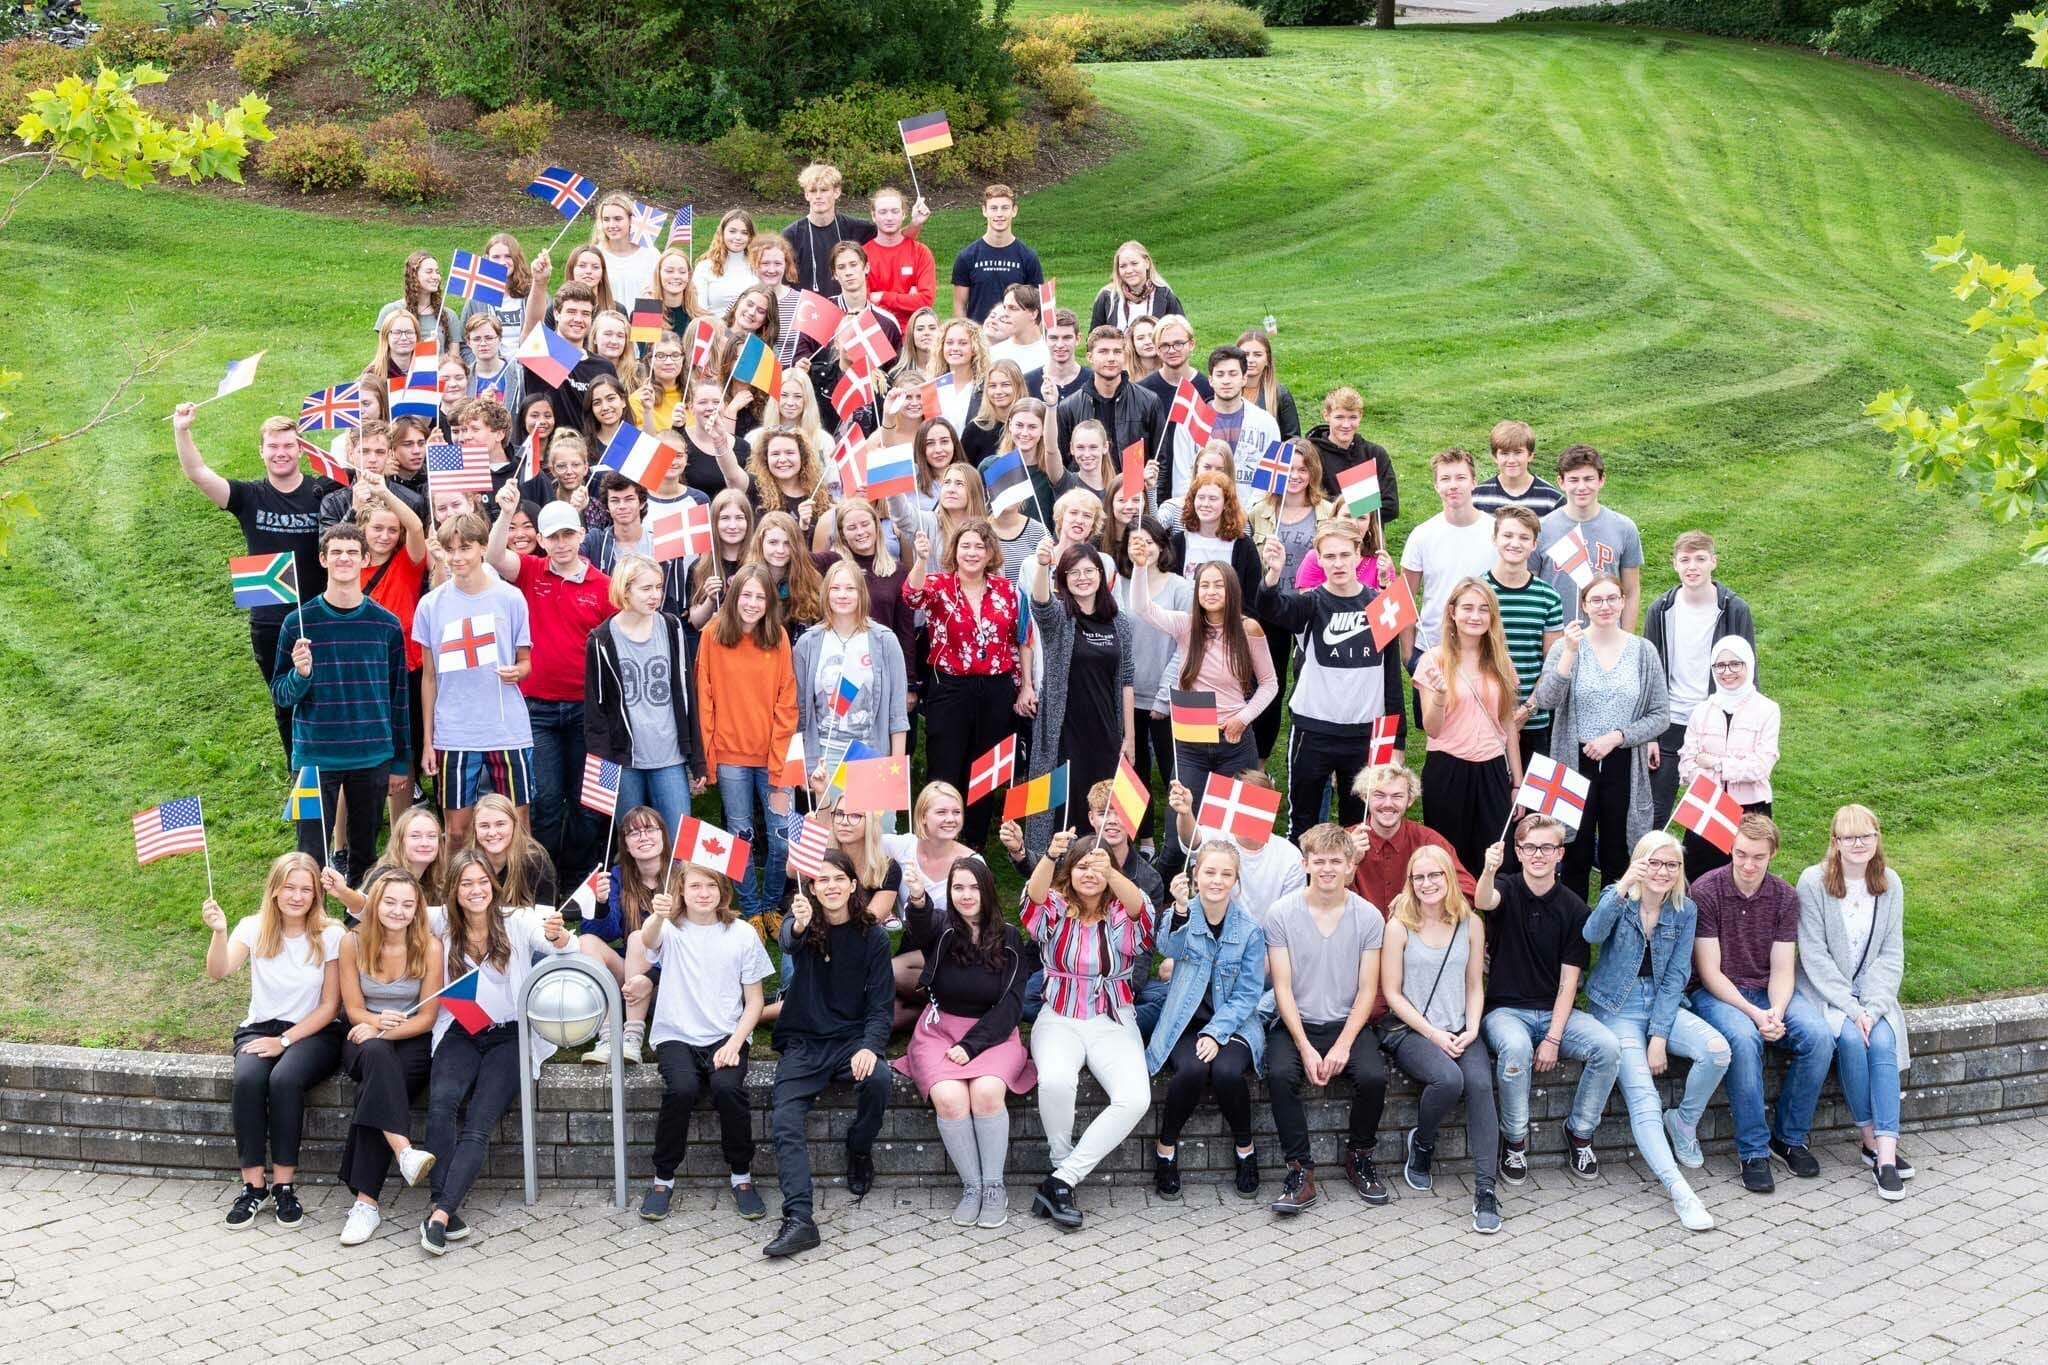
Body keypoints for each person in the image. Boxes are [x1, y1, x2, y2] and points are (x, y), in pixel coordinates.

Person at [420, 850, 576, 1254]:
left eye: (482, 882)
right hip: (464, 1026)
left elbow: (561, 943)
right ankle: (443, 1206)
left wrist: (558, 934)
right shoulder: (441, 921)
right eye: (466, 883)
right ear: (453, 890)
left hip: (510, 1034)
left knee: (478, 1122)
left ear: (493, 883)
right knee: (441, 1104)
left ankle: (439, 1214)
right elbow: (388, 912)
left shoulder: (517, 919)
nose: (475, 890)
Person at [1580, 830, 1727, 1231]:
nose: (1663, 872)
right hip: (1616, 1008)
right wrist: (1625, 883)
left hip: (1662, 1004)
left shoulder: (1684, 910)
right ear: (1641, 862)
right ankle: (1681, 1192)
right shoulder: (1620, 897)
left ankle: (1682, 1121)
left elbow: (1677, 974)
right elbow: (1591, 934)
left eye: (1672, 865)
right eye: (1655, 863)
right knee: (1644, 1100)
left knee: (1717, 1050)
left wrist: (1659, 1035)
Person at [174, 406, 338, 761]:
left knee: (326, 696)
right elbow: (198, 474)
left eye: (288, 446)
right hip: (270, 620)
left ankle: (331, 769)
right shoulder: (249, 496)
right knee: (285, 699)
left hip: (318, 614)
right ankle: (301, 775)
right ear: (261, 451)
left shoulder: (323, 492)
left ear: (300, 450)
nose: (281, 453)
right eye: (273, 446)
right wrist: (182, 430)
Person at [1687, 814, 1833, 1195]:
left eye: (1758, 857)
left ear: (1773, 855)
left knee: (1818, 1036)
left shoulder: (1785, 897)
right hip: (1718, 994)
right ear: (1730, 850)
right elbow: (1709, 971)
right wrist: (1755, 1016)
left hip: (1769, 992)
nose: (1748, 865)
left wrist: (1777, 1012)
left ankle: (1789, 1137)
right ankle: (1752, 1151)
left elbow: (1783, 967)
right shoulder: (1707, 890)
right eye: (1740, 854)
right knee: (1744, 1041)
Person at [1472, 815, 1620, 1185]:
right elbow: (1482, 899)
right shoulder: (1505, 887)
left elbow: (1569, 982)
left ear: (1560, 854)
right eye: (1530, 847)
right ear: (1518, 852)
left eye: (1547, 847)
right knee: (1516, 1049)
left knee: (1607, 1046)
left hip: (1556, 1012)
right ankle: (1516, 1140)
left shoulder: (1574, 908)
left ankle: (1581, 1132)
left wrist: (1553, 1038)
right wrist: (1489, 869)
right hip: (1506, 1011)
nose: (1538, 854)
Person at [763, 851, 896, 1257]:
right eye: (822, 880)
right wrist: (800, 923)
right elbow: (789, 940)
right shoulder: (803, 922)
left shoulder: (873, 935)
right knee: (785, 1118)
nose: (831, 886)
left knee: (880, 1080)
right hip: (804, 1043)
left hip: (849, 1040)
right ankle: (800, 1218)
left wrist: (870, 1047)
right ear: (813, 888)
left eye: (839, 878)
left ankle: (858, 1147)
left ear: (853, 885)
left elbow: (881, 1006)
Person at [203, 851, 344, 1230]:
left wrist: (284, 1042)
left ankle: (284, 1186)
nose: (297, 896)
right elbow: (219, 971)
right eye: (289, 888)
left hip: (313, 1031)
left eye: (306, 889)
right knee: (248, 1079)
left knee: (284, 1080)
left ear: (317, 893)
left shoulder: (332, 933)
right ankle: (254, 1187)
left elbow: (331, 1006)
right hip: (260, 1028)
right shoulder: (253, 927)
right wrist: (219, 932)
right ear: (275, 889)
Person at [1023, 831, 1156, 1230]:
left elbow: (1142, 913)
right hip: (1059, 1015)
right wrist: (1049, 855)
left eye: (1098, 866)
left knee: (1135, 1098)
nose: (1089, 873)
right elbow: (1031, 899)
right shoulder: (1055, 906)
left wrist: (1110, 872)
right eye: (1081, 865)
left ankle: (1062, 1180)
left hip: (1112, 1017)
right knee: (1056, 1082)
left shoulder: (1121, 911)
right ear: (1069, 870)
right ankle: (1061, 1167)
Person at [895, 857, 1034, 1228]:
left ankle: (993, 1187)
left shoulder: (1008, 938)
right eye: (958, 887)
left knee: (987, 1092)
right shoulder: (941, 928)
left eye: (974, 887)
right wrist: (919, 898)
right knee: (950, 1098)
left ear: (987, 889)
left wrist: (972, 1045)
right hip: (940, 1031)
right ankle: (971, 1187)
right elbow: (920, 924)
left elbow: (1012, 1004)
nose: (966, 895)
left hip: (992, 1033)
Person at [485, 488, 615, 880]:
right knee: (543, 800)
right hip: (537, 708)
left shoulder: (604, 584)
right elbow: (493, 558)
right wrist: (507, 513)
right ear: (541, 541)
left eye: (567, 535)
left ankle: (578, 878)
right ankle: (545, 879)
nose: (560, 544)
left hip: (588, 711)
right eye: (552, 537)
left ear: (580, 535)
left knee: (588, 801)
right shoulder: (531, 571)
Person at [271, 522, 411, 886]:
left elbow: (399, 698)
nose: (344, 558)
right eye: (336, 552)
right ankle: (309, 927)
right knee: (308, 856)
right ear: (323, 559)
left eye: (352, 552)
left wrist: (399, 760)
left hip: (372, 756)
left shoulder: (387, 625)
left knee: (365, 852)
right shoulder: (297, 624)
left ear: (365, 558)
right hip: (315, 759)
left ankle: (358, 923)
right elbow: (281, 695)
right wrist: (301, 675)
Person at [636, 863, 774, 1223]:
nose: (703, 893)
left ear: (722, 890)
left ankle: (741, 1175)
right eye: (695, 886)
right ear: (681, 891)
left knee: (728, 1089)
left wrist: (735, 1042)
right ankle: (662, 1179)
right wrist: (656, 915)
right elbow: (648, 941)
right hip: (676, 1035)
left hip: (726, 1035)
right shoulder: (670, 928)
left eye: (710, 885)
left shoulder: (742, 933)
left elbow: (755, 1001)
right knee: (681, 1089)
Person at [1264, 824, 1390, 1214]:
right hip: (1295, 1020)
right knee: (1281, 1075)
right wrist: (1304, 1046)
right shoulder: (1281, 913)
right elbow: (1282, 987)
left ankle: (1360, 1156)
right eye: (1319, 861)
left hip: (1346, 1023)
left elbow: (1368, 990)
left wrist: (1342, 1045)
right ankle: (1300, 1171)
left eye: (1337, 861)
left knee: (1373, 1077)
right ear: (1305, 863)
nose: (1327, 869)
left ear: (1352, 866)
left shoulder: (1369, 917)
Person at [1378, 843, 1501, 1234]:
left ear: (1449, 877)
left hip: (1460, 1027)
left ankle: (1485, 1190)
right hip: (1413, 1029)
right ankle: (1423, 1144)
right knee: (1449, 1080)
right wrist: (1432, 1032)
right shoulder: (1398, 925)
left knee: (1481, 1083)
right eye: (1420, 877)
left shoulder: (1471, 923)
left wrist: (1472, 1028)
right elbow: (1392, 993)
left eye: (1436, 875)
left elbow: (1473, 984)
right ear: (1410, 882)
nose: (1428, 883)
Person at [1526, 573, 1670, 902]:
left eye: (1612, 598)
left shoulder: (1642, 651)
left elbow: (1660, 715)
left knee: (1617, 852)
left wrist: (1619, 736)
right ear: (1584, 605)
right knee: (1571, 849)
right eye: (1597, 600)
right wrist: (1569, 655)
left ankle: (1615, 931)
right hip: (1574, 761)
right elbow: (1545, 700)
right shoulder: (1567, 645)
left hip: (1623, 762)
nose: (1605, 606)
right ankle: (1572, 936)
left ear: (1622, 601)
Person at [1797, 804, 1913, 1200]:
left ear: (1877, 838)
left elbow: (1890, 954)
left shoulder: (1890, 883)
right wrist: (1852, 1008)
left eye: (1866, 835)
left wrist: (1875, 1007)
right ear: (1836, 842)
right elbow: (1813, 955)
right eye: (1849, 837)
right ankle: (1872, 1144)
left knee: (1882, 1041)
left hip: (1873, 995)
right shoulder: (1813, 882)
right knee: (1850, 1039)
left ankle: (1884, 1157)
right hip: (1828, 993)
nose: (1859, 843)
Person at [1248, 519, 1389, 841]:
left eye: (1344, 554)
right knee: (1304, 823)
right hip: (1313, 730)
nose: (1338, 563)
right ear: (1319, 559)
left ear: (1358, 555)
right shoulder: (1309, 603)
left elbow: (1391, 673)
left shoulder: (1379, 604)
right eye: (1329, 556)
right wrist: (1272, 575)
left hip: (1364, 732)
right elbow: (1270, 608)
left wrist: (1396, 738)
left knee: (1359, 827)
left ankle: (1352, 888)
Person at [1145, 840, 1268, 1200]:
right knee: (1193, 1070)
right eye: (1210, 872)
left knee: (1228, 1072)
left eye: (1226, 874)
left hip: (1233, 1024)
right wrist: (1180, 909)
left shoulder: (1248, 929)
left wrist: (1217, 1033)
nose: (1217, 880)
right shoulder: (1182, 913)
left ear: (1236, 879)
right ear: (1196, 874)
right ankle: (1165, 1149)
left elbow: (1248, 993)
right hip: (1185, 1021)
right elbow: (1167, 949)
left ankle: (1245, 1150)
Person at [334, 868, 442, 1247]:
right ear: (375, 903)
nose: (398, 910)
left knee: (376, 1089)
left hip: (411, 1038)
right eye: (390, 902)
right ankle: (405, 1151)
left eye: (407, 904)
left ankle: (365, 1205)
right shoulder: (352, 942)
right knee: (377, 1056)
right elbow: (352, 1009)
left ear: (417, 909)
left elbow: (427, 1018)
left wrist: (387, 1029)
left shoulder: (430, 945)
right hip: (362, 1036)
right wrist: (377, 1023)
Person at [411, 513, 533, 846]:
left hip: (507, 729)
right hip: (455, 733)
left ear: (482, 548)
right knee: (457, 832)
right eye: (450, 550)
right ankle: (458, 896)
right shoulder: (431, 605)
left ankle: (518, 896)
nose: (457, 557)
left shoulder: (510, 598)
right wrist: (428, 742)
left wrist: (517, 672)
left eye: (465, 548)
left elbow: (525, 663)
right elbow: (430, 678)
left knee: (517, 827)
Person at [906, 520, 1027, 847]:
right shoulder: (938, 585)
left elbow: (1018, 640)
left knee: (987, 768)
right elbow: (912, 596)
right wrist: (919, 559)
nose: (972, 553)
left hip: (996, 688)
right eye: (966, 546)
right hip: (950, 688)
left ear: (990, 553)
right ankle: (937, 839)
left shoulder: (1006, 590)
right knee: (945, 762)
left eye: (980, 547)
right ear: (955, 551)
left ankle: (974, 844)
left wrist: (1023, 685)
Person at [696, 564, 799, 924]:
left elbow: (787, 701)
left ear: (769, 601)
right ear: (734, 596)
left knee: (782, 836)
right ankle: (752, 911)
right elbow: (704, 700)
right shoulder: (712, 636)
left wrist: (779, 758)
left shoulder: (778, 638)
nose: (753, 603)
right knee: (740, 838)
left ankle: (771, 904)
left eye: (760, 596)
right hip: (731, 761)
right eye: (746, 595)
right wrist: (708, 760)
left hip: (776, 761)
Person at [1129, 556, 1276, 797]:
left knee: (1236, 825)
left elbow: (1270, 683)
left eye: (1219, 585)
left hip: (1234, 739)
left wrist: (1243, 717)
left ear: (1232, 589)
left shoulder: (1249, 628)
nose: (1211, 591)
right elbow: (1142, 607)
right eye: (1204, 585)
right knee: (1182, 817)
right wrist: (1140, 566)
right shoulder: (1185, 625)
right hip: (1191, 740)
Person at [584, 555, 706, 839]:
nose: (655, 596)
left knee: (678, 842)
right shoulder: (601, 640)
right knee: (633, 843)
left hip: (670, 756)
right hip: (624, 760)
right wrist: (602, 768)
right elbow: (596, 713)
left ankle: (675, 885)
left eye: (659, 587)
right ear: (625, 590)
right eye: (646, 589)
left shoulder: (673, 627)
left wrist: (697, 758)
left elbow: (688, 696)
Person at [1023, 539, 1134, 850]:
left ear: (1101, 574)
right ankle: (1057, 865)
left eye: (1089, 570)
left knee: (1105, 800)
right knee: (1063, 801)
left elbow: (1126, 679)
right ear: (1064, 580)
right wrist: (1044, 564)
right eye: (1074, 572)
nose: (1083, 577)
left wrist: (1130, 737)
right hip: (1064, 730)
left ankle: (1105, 863)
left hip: (1106, 729)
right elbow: (1040, 605)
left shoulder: (1118, 622)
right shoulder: (1060, 617)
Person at [1644, 531, 1758, 826]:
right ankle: (1649, 868)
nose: (1692, 566)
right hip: (1670, 721)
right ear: (1674, 564)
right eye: (1685, 560)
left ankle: (1713, 872)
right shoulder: (1660, 610)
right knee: (1656, 811)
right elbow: (1649, 674)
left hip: (1717, 722)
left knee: (1719, 815)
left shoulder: (1735, 609)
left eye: (1700, 559)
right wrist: (1650, 735)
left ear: (1713, 562)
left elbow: (1748, 673)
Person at [1412, 578, 1522, 876]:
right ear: (1452, 612)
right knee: (1449, 861)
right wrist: (1439, 697)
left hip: (1492, 770)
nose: (1475, 616)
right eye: (1468, 608)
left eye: (1484, 609)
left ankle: (1491, 922)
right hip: (1448, 769)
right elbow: (1431, 729)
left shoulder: (1501, 662)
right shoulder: (1432, 661)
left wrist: (1517, 781)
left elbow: (1508, 723)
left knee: (1497, 861)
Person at [1398, 449, 1496, 719]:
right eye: (1445, 479)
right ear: (1436, 485)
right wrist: (1409, 655)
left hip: (1483, 651)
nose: (1453, 485)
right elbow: (1405, 596)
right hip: (1433, 650)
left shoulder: (1495, 532)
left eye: (1460, 477)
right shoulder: (1422, 536)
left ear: (1474, 482)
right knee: (1436, 731)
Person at [793, 560, 911, 784]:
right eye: (835, 589)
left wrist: (896, 771)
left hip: (871, 753)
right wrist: (803, 764)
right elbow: (800, 712)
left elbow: (897, 713)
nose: (842, 595)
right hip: (825, 757)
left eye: (850, 588)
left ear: (861, 593)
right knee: (830, 820)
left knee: (873, 820)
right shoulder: (807, 644)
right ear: (826, 593)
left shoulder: (885, 640)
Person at [1676, 636, 1778, 879]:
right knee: (1698, 877)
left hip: (1750, 808)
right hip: (1707, 804)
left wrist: (1717, 764)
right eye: (1720, 666)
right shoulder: (1702, 710)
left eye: (1735, 664)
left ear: (1748, 665)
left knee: (1746, 873)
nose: (1727, 672)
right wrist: (1724, 770)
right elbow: (1686, 765)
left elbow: (1761, 767)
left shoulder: (1768, 709)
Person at [1114, 515, 1187, 852]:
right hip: (1127, 695)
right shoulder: (1118, 585)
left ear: (1161, 546)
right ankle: (1143, 841)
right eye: (1134, 542)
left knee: (1174, 771)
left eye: (1148, 541)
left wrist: (1164, 696)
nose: (1141, 547)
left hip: (1168, 698)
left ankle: (1177, 843)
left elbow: (1187, 647)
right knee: (1132, 771)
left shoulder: (1180, 588)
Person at [574, 805, 669, 1062]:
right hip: (630, 976)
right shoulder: (616, 877)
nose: (643, 837)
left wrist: (652, 975)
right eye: (633, 833)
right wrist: (601, 904)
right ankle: (608, 1035)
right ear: (625, 844)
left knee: (639, 937)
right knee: (587, 941)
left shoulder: (681, 875)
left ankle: (633, 1038)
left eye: (650, 829)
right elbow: (603, 934)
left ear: (663, 834)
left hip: (673, 977)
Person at [1487, 506, 1565, 768]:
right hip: (1485, 718)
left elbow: (1551, 663)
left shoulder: (1548, 597)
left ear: (1534, 544)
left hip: (1533, 719)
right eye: (1508, 535)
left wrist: (1526, 710)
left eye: (1523, 537)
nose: (1514, 543)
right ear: (1494, 539)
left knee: (1531, 805)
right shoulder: (1478, 592)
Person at [1537, 443, 1643, 628]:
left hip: (1607, 638)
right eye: (1573, 480)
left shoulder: (1624, 528)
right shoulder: (1542, 529)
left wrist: (1626, 640)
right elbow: (1534, 591)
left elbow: (1631, 591)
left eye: (1589, 479)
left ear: (1601, 480)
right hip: (1556, 638)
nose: (1581, 487)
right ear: (1561, 482)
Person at [1346, 763, 1476, 912]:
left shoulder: (1428, 840)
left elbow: (1467, 891)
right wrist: (1350, 862)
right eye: (1379, 795)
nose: (1388, 804)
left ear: (1410, 800)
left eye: (1397, 796)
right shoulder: (1345, 840)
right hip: (1359, 932)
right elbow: (1320, 896)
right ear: (1365, 796)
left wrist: (1417, 905)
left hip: (1416, 930)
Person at [1168, 346, 1282, 498]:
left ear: (1244, 379)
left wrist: (1249, 515)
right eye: (1220, 375)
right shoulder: (1190, 422)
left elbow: (1269, 482)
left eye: (1233, 374)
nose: (1226, 381)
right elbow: (1182, 478)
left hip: (1251, 515)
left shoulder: (1266, 422)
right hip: (1203, 512)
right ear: (1211, 380)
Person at [1055, 325, 1159, 476]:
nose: (1111, 358)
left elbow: (1159, 460)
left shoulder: (1149, 401)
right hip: (1086, 495)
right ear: (1090, 357)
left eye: (1117, 352)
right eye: (1103, 352)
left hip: (1133, 495)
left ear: (1125, 356)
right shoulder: (1068, 407)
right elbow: (1062, 466)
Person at [952, 183, 1043, 324]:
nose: (999, 214)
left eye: (1005, 208)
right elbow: (960, 306)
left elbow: (1036, 307)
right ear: (984, 211)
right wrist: (966, 337)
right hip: (979, 340)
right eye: (993, 208)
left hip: (1014, 340)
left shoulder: (1028, 258)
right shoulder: (967, 257)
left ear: (1014, 211)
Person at [467, 791, 558, 909]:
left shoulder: (536, 861)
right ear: (474, 828)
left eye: (500, 824)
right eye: (484, 826)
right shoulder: (467, 862)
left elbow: (546, 912)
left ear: (514, 825)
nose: (492, 833)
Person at [862, 186, 936, 326]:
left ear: (903, 214)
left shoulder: (920, 252)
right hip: (877, 332)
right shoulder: (862, 255)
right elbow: (862, 302)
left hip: (912, 335)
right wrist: (908, 299)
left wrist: (883, 296)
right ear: (873, 215)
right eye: (883, 212)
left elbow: (926, 301)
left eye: (895, 211)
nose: (889, 217)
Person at [1471, 419, 1563, 518]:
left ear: (1530, 455)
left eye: (1518, 452)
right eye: (1504, 453)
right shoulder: (1477, 497)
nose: (1511, 460)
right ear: (1494, 457)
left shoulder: (1552, 499)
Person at [374, 249, 459, 355]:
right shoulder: (390, 312)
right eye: (429, 272)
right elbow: (383, 356)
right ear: (413, 275)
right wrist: (424, 350)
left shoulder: (449, 315)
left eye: (437, 272)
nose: (436, 277)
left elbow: (454, 359)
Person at [1090, 240, 1184, 331]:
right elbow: (1093, 341)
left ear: (1147, 263)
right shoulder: (1107, 297)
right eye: (1123, 266)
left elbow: (1181, 334)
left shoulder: (1165, 296)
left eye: (1134, 264)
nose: (1129, 270)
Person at [692, 209, 760, 316]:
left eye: (744, 233)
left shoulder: (758, 266)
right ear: (722, 233)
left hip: (751, 330)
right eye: (732, 231)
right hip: (715, 328)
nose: (738, 237)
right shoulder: (705, 267)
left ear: (750, 237)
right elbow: (700, 311)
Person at [1236, 328, 1298, 441]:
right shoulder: (1225, 391)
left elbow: (1293, 439)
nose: (1250, 360)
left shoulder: (1280, 394)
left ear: (1267, 360)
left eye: (1257, 355)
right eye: (1245, 354)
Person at [1025, 308, 1090, 405]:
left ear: (1077, 339)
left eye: (1067, 338)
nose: (1060, 345)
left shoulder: (1092, 381)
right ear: (1045, 339)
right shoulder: (1028, 382)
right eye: (1053, 338)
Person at [988, 282, 1050, 376]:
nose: (1004, 314)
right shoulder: (992, 354)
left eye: (1013, 308)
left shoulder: (1052, 353)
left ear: (1033, 314)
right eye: (1005, 307)